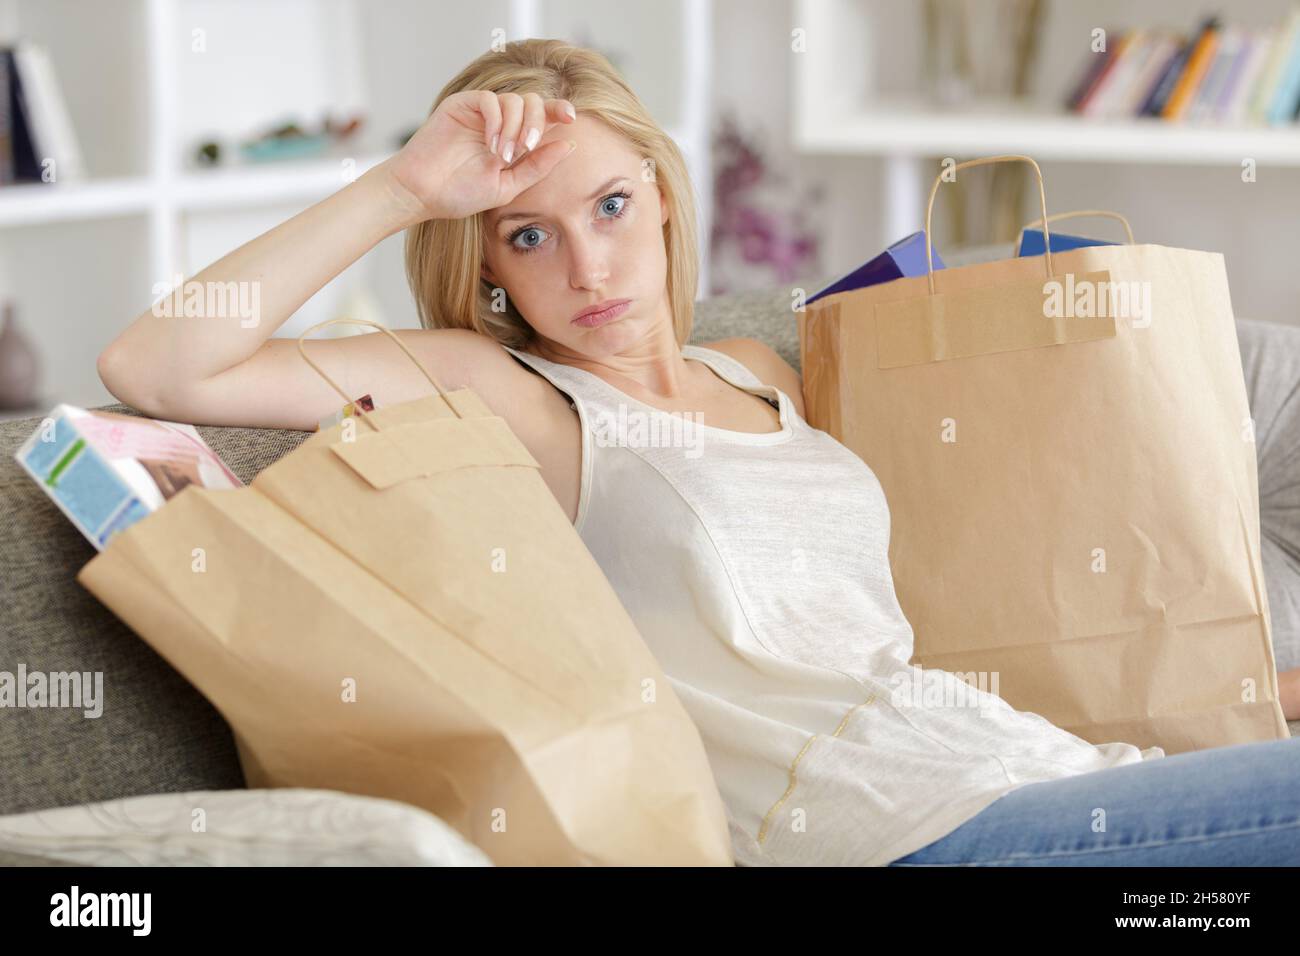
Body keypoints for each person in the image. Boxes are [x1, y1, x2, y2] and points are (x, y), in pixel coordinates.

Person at [97, 39, 1300, 866]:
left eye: (610, 206)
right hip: (888, 832)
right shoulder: (515, 398)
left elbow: (896, 650)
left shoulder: (761, 371)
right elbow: (161, 368)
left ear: (664, 196)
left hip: (1025, 769)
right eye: (530, 234)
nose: (589, 267)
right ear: (490, 267)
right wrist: (407, 184)